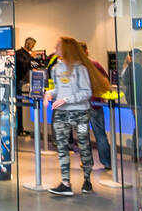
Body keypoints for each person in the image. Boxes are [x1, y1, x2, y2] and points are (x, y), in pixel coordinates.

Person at [45, 37, 111, 196]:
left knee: (84, 144)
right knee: (61, 146)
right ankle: (65, 183)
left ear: (67, 48)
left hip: (80, 113)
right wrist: (49, 94)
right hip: (61, 113)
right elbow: (59, 90)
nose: (55, 47)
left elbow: (86, 92)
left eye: (59, 45)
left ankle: (87, 180)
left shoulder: (81, 69)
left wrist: (66, 100)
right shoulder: (56, 69)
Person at [82, 44, 114, 172]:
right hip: (95, 103)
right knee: (100, 134)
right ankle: (107, 162)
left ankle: (86, 162)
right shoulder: (94, 64)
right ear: (86, 51)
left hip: (81, 104)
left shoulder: (76, 67)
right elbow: (106, 80)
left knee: (83, 135)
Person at [120, 48, 142, 160]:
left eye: (141, 56)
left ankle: (137, 153)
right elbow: (128, 91)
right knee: (140, 129)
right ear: (132, 58)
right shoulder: (129, 71)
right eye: (138, 56)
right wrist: (132, 106)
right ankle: (136, 154)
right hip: (138, 106)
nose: (141, 59)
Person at [15, 36, 35, 135]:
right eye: (32, 45)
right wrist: (31, 57)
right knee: (19, 106)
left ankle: (21, 128)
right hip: (19, 82)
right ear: (28, 44)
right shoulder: (18, 53)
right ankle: (19, 129)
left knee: (22, 106)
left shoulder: (26, 54)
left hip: (24, 83)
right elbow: (23, 65)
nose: (33, 47)